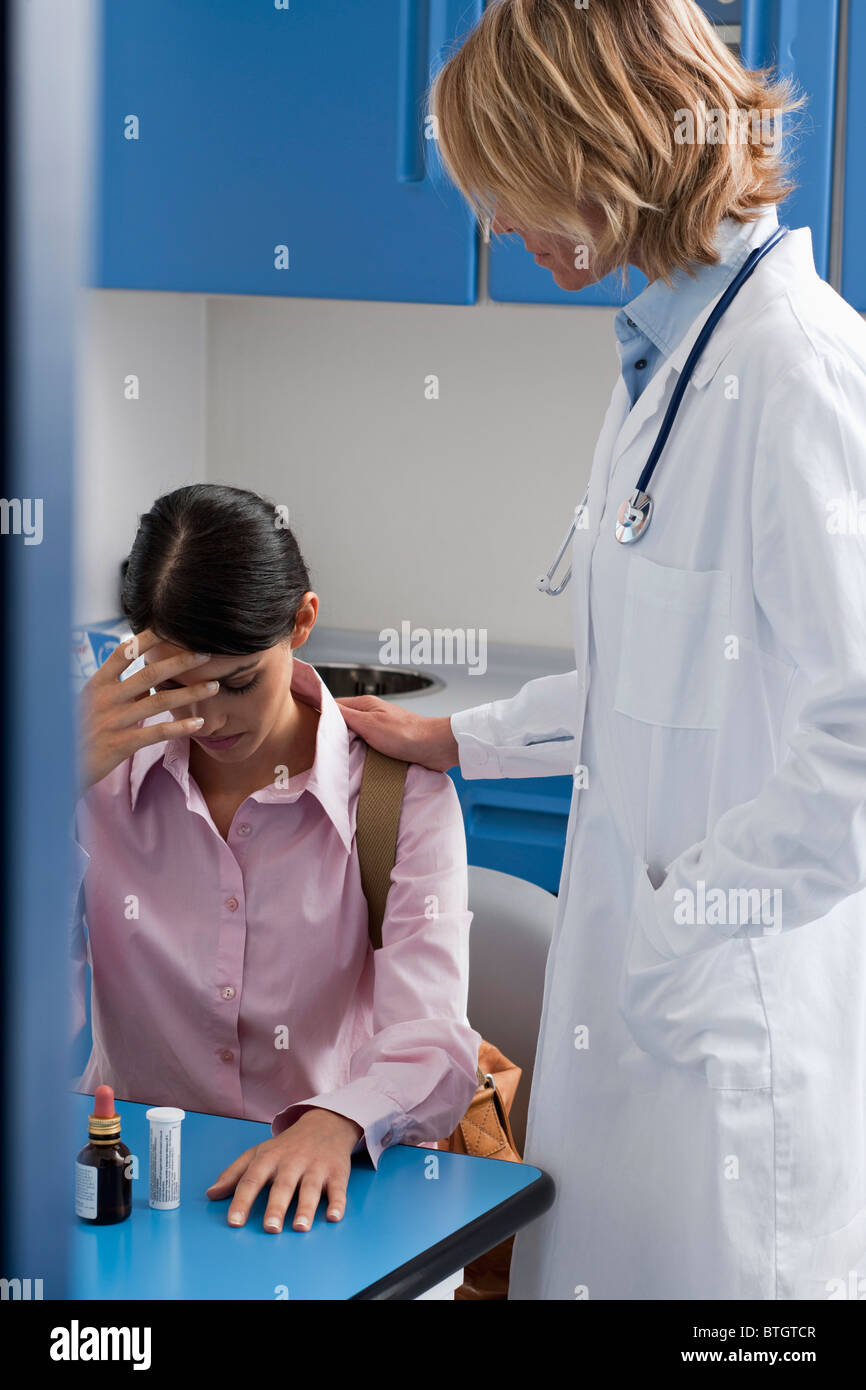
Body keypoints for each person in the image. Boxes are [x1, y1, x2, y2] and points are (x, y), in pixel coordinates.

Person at [336, 0, 866, 1298]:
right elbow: (660, 676)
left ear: (584, 145)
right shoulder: (660, 367)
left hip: (728, 1065)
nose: (495, 226)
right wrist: (452, 734)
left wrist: (689, 930)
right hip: (634, 1057)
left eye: (500, 184)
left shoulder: (795, 376)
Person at [71, 482, 481, 1235]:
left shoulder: (395, 797)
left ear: (302, 622)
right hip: (137, 1191)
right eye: (173, 686)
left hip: (329, 1195)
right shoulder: (89, 781)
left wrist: (337, 1122)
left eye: (237, 681)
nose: (207, 718)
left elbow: (434, 1044)